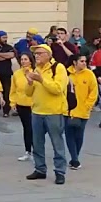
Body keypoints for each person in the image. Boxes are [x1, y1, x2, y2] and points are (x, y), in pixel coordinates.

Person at [24, 45, 70, 185]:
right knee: (37, 143)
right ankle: (40, 169)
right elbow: (28, 93)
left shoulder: (58, 68)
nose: (36, 56)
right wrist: (30, 82)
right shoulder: (37, 69)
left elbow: (57, 89)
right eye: (35, 54)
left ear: (48, 54)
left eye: (39, 53)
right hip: (37, 111)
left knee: (57, 143)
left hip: (54, 112)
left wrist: (41, 80)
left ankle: (60, 172)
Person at [66, 54, 99, 171]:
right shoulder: (67, 73)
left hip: (83, 110)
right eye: (82, 61)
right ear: (75, 62)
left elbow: (93, 91)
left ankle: (75, 157)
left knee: (79, 135)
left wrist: (88, 105)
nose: (84, 63)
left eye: (85, 61)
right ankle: (74, 159)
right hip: (68, 111)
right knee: (69, 134)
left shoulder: (89, 74)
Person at [11, 54, 35, 161]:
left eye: (26, 59)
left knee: (33, 128)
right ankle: (28, 151)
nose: (23, 61)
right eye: (22, 59)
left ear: (30, 61)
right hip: (21, 104)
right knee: (26, 128)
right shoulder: (17, 74)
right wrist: (12, 103)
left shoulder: (35, 72)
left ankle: (36, 151)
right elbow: (13, 90)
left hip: (33, 104)